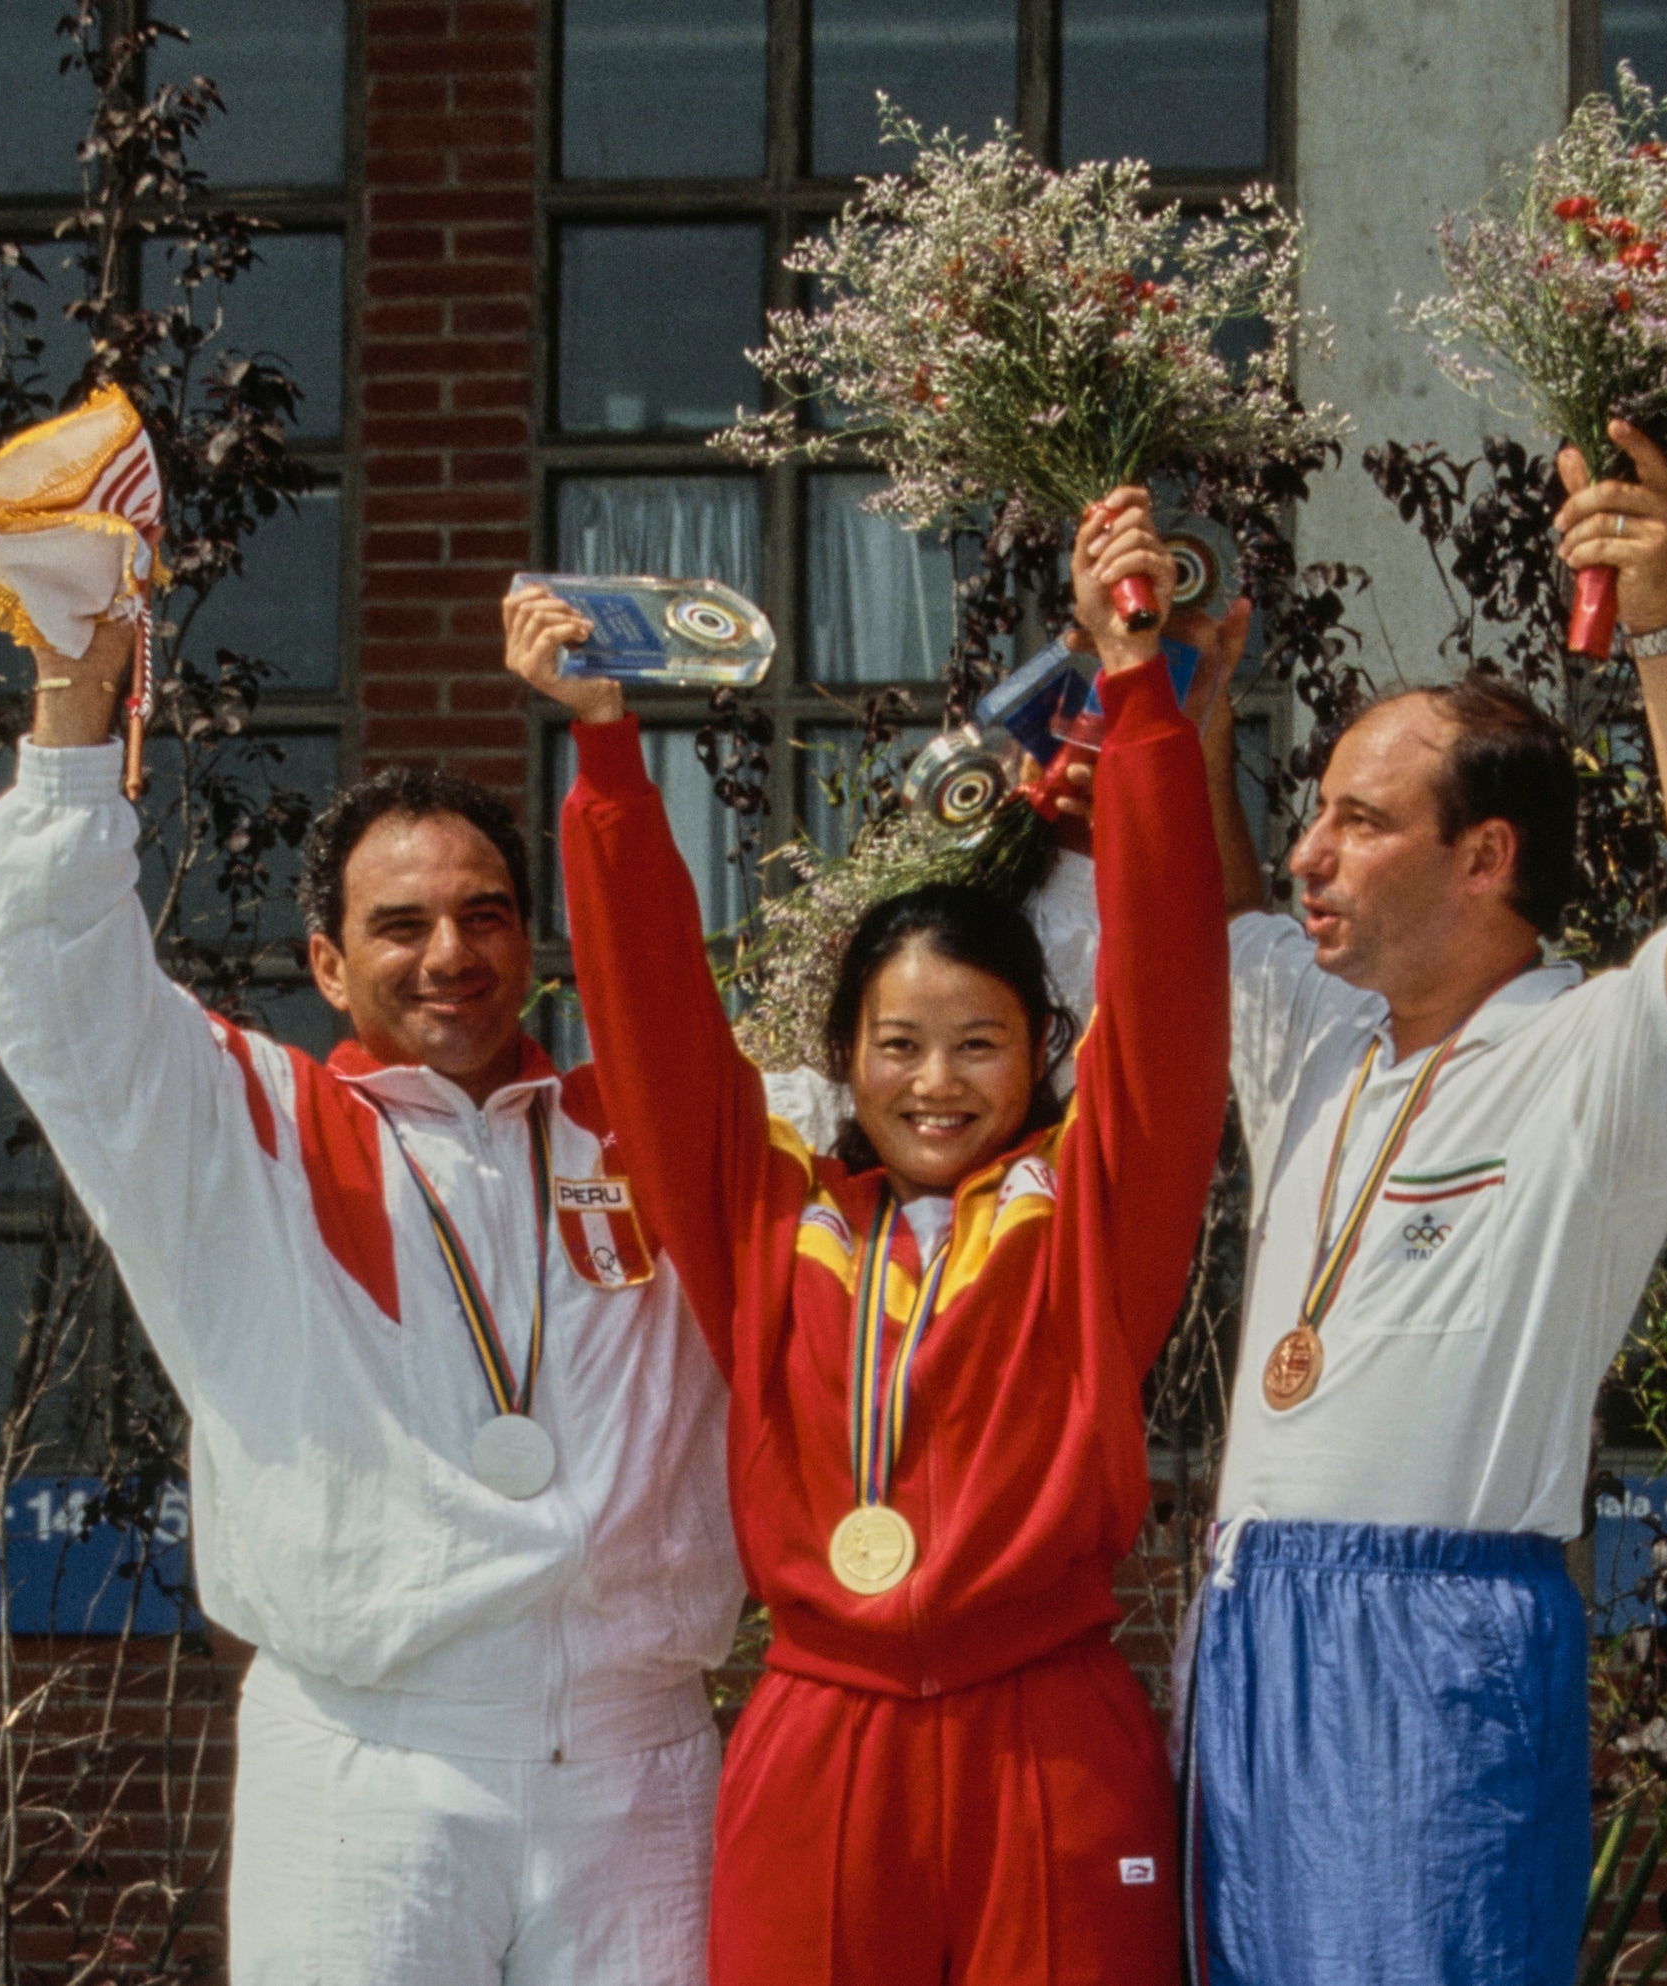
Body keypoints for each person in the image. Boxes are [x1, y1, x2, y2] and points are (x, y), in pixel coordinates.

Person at [504, 485, 1230, 1986]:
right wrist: (602, 750)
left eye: (981, 1044)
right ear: (846, 1058)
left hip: (1049, 1719)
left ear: (1043, 1053)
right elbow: (649, 1027)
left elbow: (1171, 997)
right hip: (821, 1729)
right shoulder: (769, 1210)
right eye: (900, 1045)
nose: (938, 1083)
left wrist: (1138, 694)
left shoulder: (1091, 1212)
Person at [0, 618, 744, 1985]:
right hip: (369, 1768)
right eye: (402, 924)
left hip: (642, 1765)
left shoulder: (664, 1136)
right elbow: (56, 982)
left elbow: (944, 1089)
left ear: (532, 940)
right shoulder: (243, 1136)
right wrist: (77, 717)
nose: (451, 951)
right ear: (329, 963)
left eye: (485, 914)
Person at [1181, 420, 1667, 1986]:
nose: (1311, 855)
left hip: (1438, 1632)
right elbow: (1198, 892)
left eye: (1361, 823)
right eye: (1313, 815)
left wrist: (1657, 629)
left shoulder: (1593, 1052)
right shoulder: (1316, 1028)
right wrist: (1173, 700)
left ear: (1487, 856)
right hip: (1254, 1620)